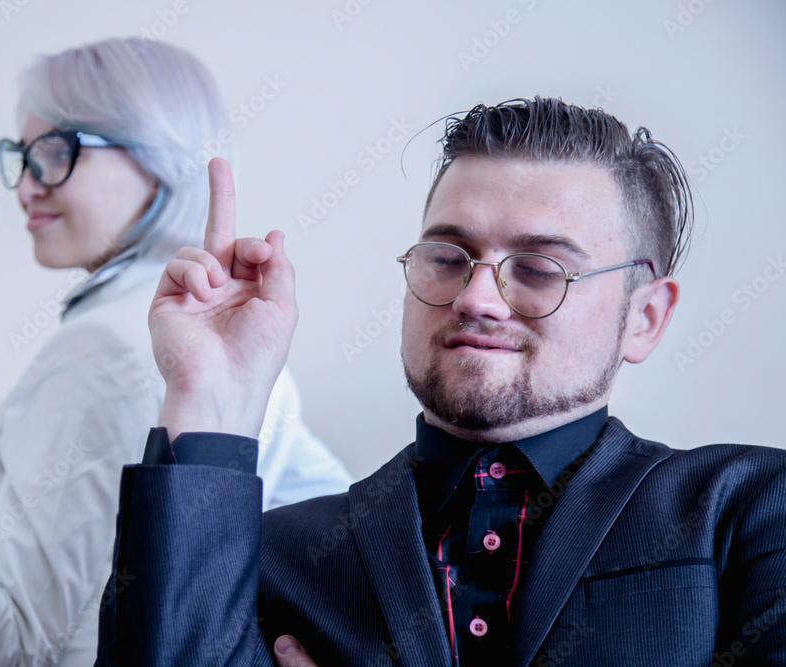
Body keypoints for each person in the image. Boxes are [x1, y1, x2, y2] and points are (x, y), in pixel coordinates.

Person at [96, 98, 786, 666]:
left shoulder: (749, 510)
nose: (477, 297)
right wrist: (211, 394)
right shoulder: (272, 559)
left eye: (540, 267)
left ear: (645, 317)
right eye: (449, 256)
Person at [0, 38, 351, 667]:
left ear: (158, 156)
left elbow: (29, 657)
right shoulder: (208, 334)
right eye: (21, 158)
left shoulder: (108, 348)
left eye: (54, 152)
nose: (25, 188)